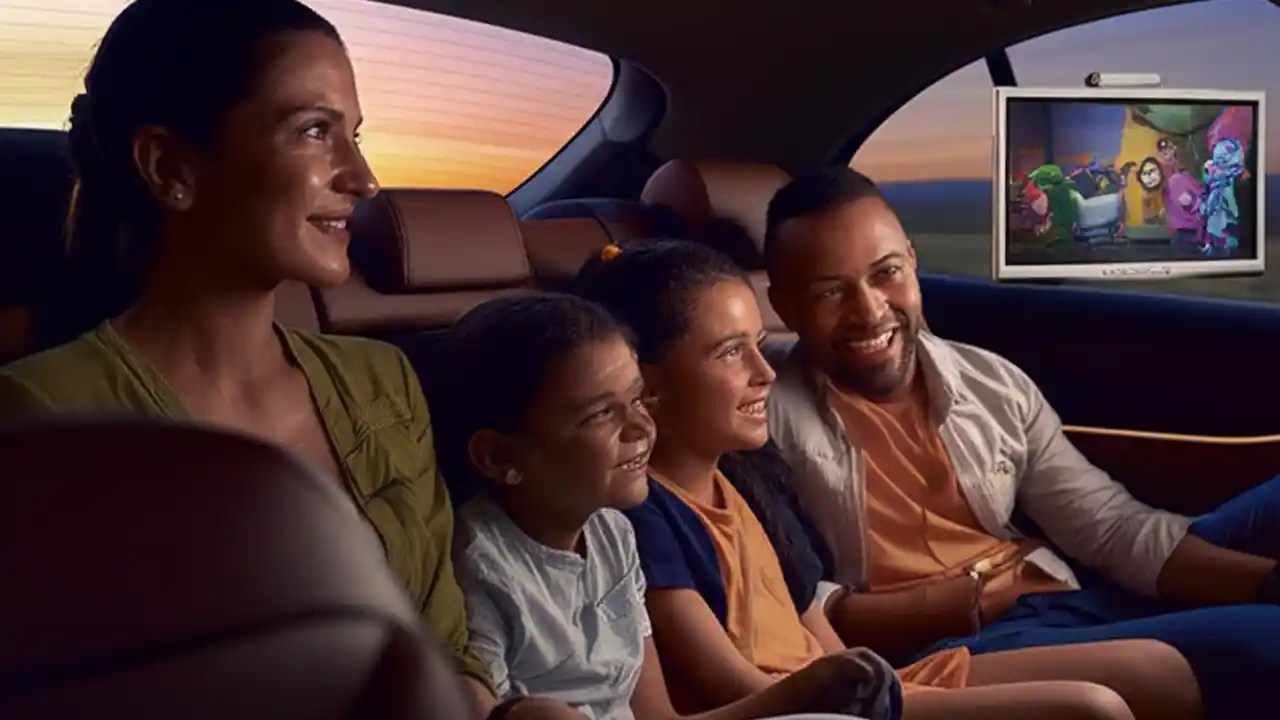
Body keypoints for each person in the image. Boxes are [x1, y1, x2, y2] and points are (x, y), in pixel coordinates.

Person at [0, 2, 568, 718]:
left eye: (355, 136)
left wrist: (509, 712)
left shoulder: (382, 383)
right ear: (171, 168)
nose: (362, 178)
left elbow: (446, 645)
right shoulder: (40, 416)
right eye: (313, 132)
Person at [575, 239, 1208, 720]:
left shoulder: (744, 479)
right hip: (805, 707)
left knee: (1161, 671)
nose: (765, 374)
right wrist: (867, 690)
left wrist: (876, 679)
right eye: (729, 352)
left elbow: (814, 633)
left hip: (846, 682)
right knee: (1090, 710)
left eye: (757, 344)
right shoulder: (640, 516)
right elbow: (737, 687)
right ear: (645, 386)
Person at [761, 166, 1280, 720]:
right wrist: (979, 598)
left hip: (1064, 592)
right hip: (964, 646)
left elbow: (1107, 526)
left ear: (912, 264)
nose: (869, 310)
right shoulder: (762, 428)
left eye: (886, 273)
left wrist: (1266, 581)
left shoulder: (989, 381)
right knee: (1266, 641)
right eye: (830, 292)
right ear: (786, 306)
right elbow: (807, 608)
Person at [444, 292, 909, 720]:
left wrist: (804, 691)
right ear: (500, 457)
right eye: (601, 414)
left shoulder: (613, 535)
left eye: (636, 399)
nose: (641, 427)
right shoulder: (479, 570)